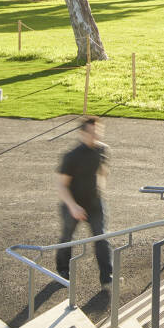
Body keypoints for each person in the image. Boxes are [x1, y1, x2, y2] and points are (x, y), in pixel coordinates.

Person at [56, 116, 112, 285]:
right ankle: (63, 271)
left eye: (98, 132)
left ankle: (107, 277)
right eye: (91, 133)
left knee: (101, 237)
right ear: (82, 134)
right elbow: (61, 186)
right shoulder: (71, 156)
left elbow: (102, 172)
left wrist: (100, 191)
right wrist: (73, 207)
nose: (95, 135)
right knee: (67, 237)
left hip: (95, 203)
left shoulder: (102, 150)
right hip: (72, 204)